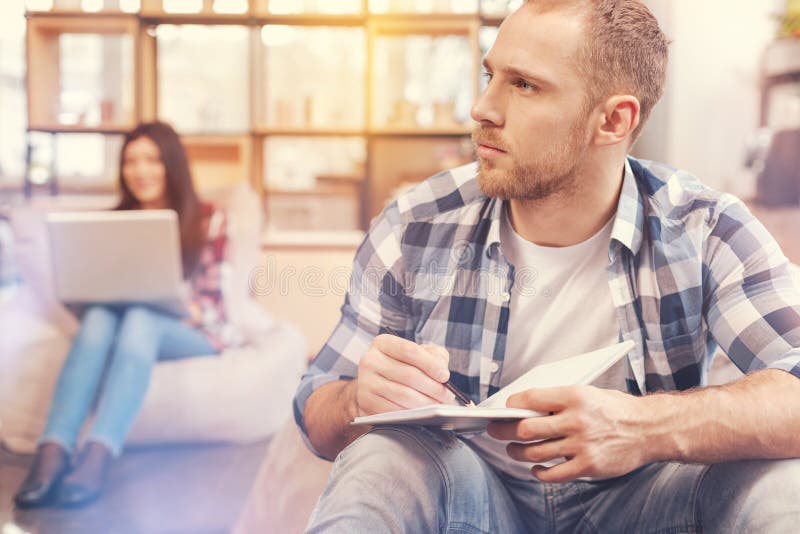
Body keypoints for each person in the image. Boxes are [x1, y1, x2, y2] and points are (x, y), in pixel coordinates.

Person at [293, 1, 800, 532]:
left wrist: (641, 427)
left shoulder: (704, 227)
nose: (483, 107)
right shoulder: (416, 224)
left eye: (525, 85)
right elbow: (315, 408)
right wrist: (358, 398)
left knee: (784, 483)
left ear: (612, 120)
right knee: (381, 460)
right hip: (475, 501)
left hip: (650, 501)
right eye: (491, 75)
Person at [14, 121, 237, 508]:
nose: (140, 170)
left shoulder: (208, 218)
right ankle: (52, 450)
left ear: (171, 164)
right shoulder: (113, 221)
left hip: (194, 329)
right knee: (101, 315)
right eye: (131, 161)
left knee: (140, 318)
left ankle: (98, 454)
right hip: (118, 324)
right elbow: (94, 290)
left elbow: (215, 303)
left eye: (151, 159)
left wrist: (172, 301)